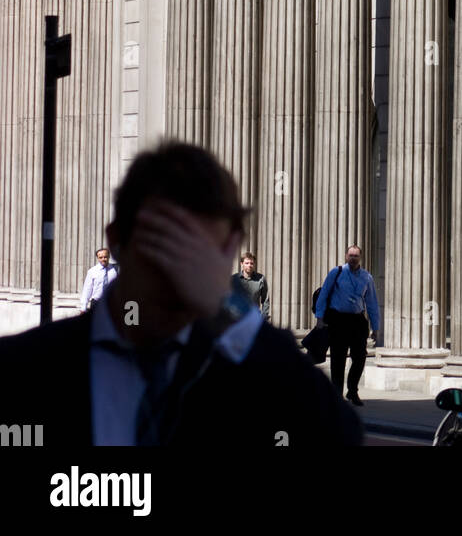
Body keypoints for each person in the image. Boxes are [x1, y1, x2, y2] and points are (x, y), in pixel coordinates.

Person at [0, 141, 361, 447]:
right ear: (118, 239)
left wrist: (232, 313)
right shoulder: (24, 370)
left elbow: (337, 436)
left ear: (230, 248)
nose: (176, 274)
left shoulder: (254, 371)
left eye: (199, 252)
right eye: (163, 243)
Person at [314, 246, 380, 407]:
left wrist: (375, 326)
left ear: (360, 258)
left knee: (360, 357)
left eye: (356, 256)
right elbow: (324, 294)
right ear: (346, 256)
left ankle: (352, 390)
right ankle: (337, 393)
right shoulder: (336, 273)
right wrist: (319, 317)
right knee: (338, 358)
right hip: (338, 320)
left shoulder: (367, 277)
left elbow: (372, 303)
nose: (353, 258)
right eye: (350, 255)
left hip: (358, 320)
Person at [231, 252, 270, 321]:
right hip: (237, 319)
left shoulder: (261, 279)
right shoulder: (234, 279)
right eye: (247, 263)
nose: (249, 265)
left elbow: (265, 300)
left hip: (254, 318)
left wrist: (264, 317)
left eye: (251, 263)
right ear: (241, 264)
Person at [79, 246, 117, 312]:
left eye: (105, 257)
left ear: (109, 257)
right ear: (97, 258)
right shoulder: (92, 271)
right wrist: (83, 308)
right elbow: (87, 290)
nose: (103, 259)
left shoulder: (115, 269)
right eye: (100, 257)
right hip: (96, 303)